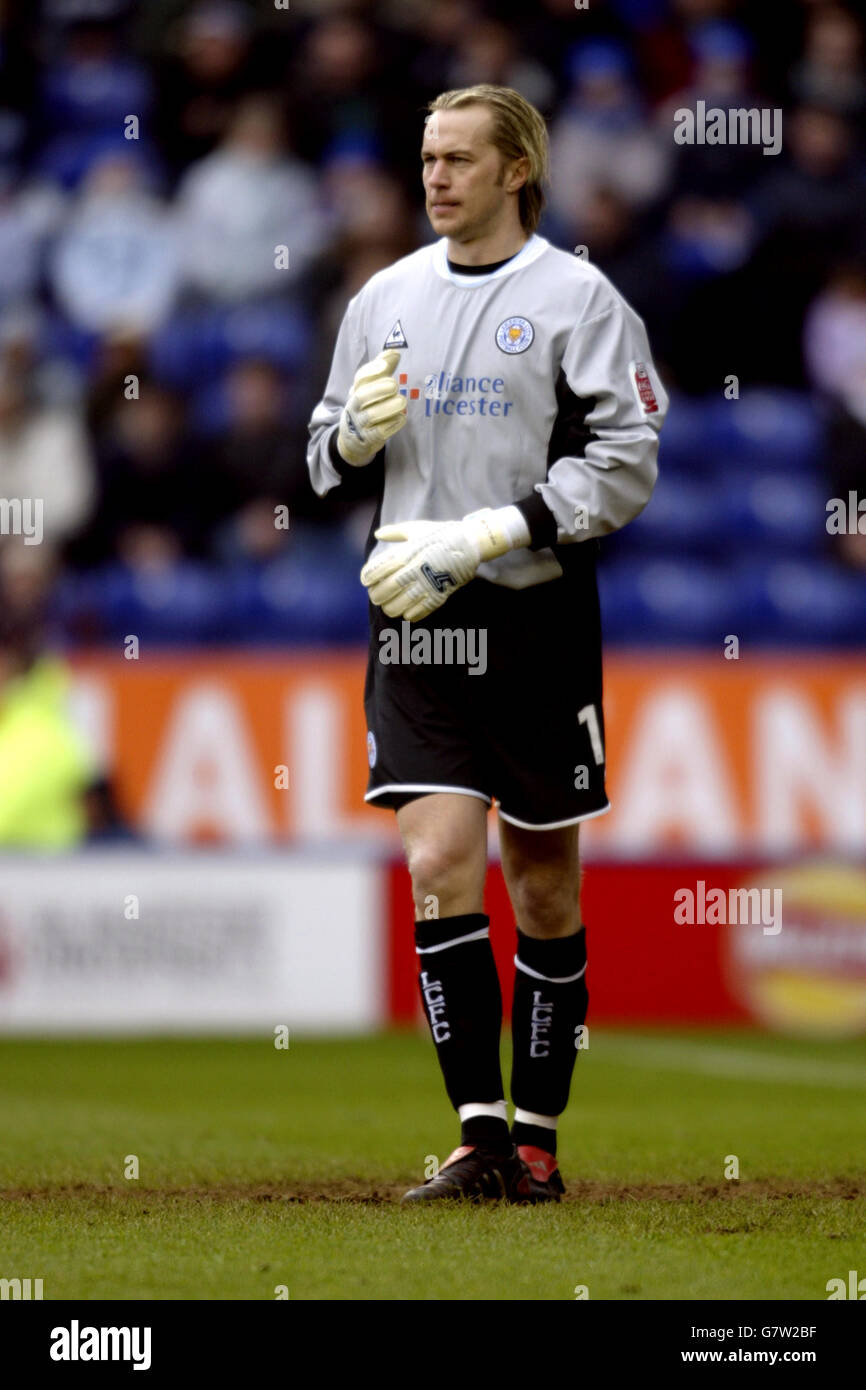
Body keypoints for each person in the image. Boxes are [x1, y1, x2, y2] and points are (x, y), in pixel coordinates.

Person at [307, 84, 667, 1204]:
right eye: (426, 158)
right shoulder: (382, 297)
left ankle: (539, 1135)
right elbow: (321, 455)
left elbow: (626, 458)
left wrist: (495, 530)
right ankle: (477, 1139)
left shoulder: (576, 299)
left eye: (460, 158)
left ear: (517, 170)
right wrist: (349, 436)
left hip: (534, 614)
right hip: (416, 616)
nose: (435, 178)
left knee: (544, 886)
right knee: (434, 862)